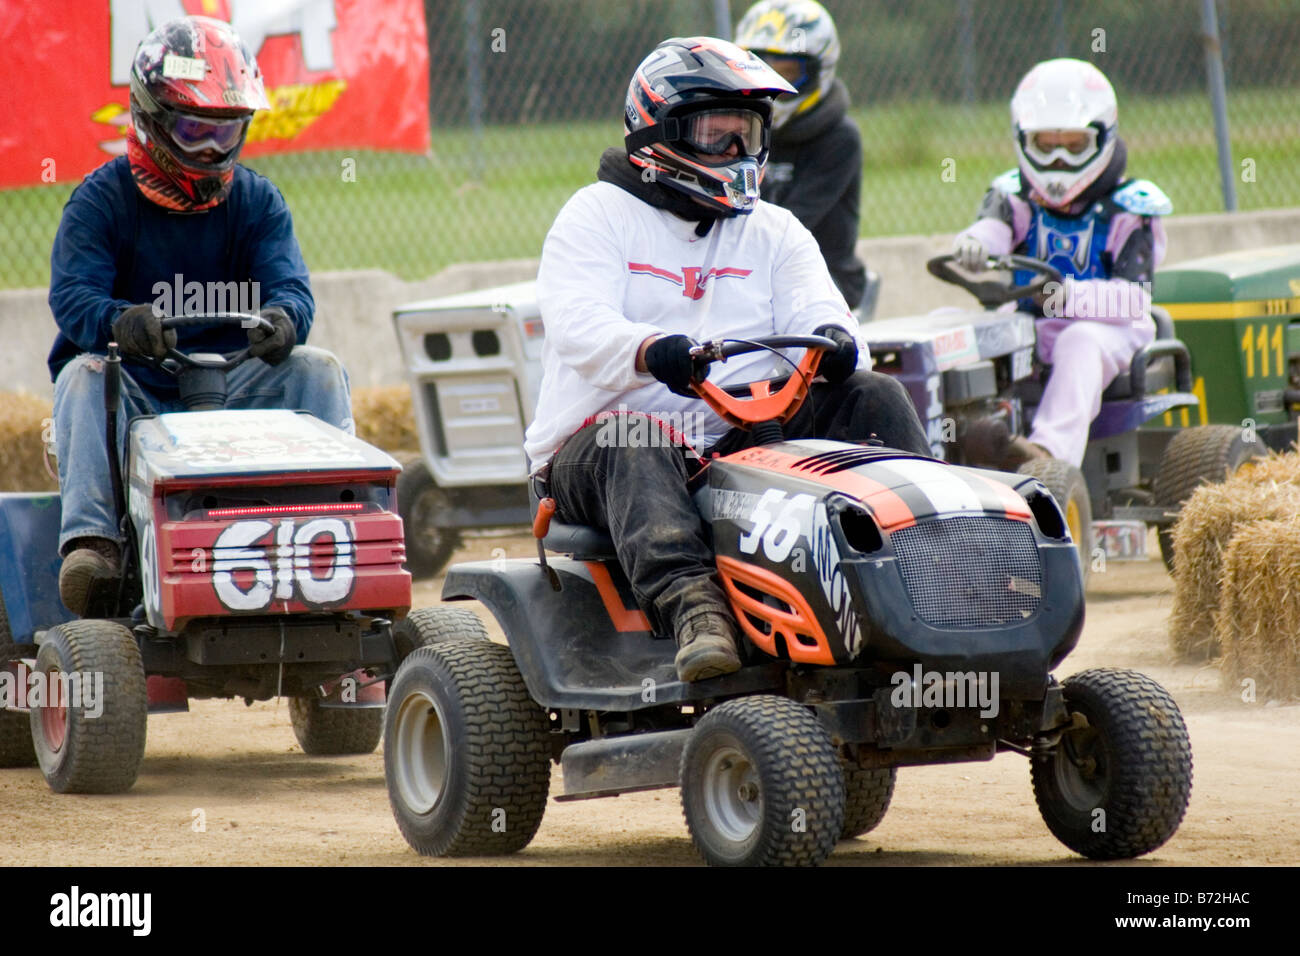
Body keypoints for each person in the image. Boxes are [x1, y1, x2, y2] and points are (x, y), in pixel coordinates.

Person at [523, 36, 929, 682]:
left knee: (873, 394)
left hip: (735, 435)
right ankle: (695, 608)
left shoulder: (772, 229)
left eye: (746, 133)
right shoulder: (595, 217)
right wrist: (651, 350)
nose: (736, 151)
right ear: (661, 131)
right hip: (598, 454)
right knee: (635, 436)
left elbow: (821, 313)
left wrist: (836, 342)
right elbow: (577, 327)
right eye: (718, 134)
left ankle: (921, 564)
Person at [48, 15, 352, 616]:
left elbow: (292, 289)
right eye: (194, 130)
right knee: (83, 376)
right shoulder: (101, 201)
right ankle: (94, 545)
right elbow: (73, 298)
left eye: (227, 132)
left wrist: (285, 320)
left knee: (317, 368)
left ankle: (336, 530)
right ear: (152, 121)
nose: (213, 151)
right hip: (139, 389)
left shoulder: (257, 201)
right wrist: (122, 324)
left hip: (233, 384)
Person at [951, 57, 1172, 469]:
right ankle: (949, 446)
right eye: (1045, 145)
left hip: (1110, 331)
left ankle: (1049, 456)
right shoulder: (1011, 195)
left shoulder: (1130, 207)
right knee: (953, 329)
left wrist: (1067, 296)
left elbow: (1133, 302)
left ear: (1102, 137)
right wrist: (974, 245)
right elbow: (992, 231)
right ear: (1023, 140)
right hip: (1029, 324)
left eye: (1074, 146)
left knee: (1080, 342)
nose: (1058, 162)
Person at [734, 0, 872, 314]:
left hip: (823, 277)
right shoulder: (739, 132)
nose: (772, 87)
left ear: (819, 70)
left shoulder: (839, 138)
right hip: (752, 268)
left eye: (787, 74)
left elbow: (792, 224)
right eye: (761, 70)